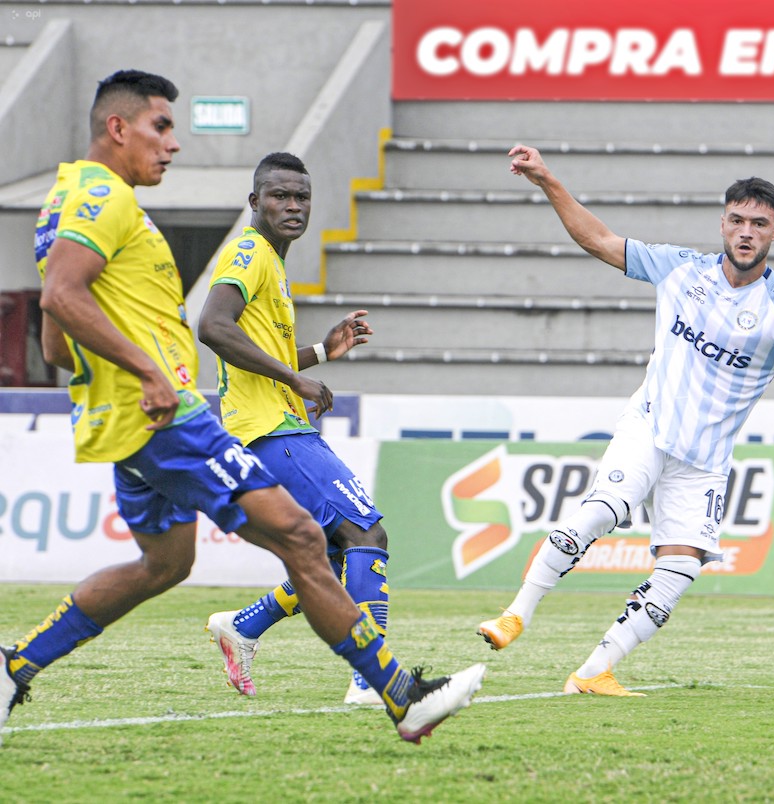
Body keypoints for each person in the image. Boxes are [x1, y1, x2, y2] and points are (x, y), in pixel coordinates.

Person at [0, 69, 484, 747]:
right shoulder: (104, 196)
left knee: (164, 566)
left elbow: (55, 338)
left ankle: (14, 668)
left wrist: (309, 357)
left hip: (130, 423)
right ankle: (401, 696)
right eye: (161, 126)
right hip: (167, 417)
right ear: (118, 127)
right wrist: (148, 371)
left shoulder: (67, 200)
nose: (172, 144)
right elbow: (64, 302)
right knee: (309, 538)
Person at [475, 144, 774, 695]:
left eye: (759, 224)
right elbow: (599, 241)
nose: (746, 232)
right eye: (737, 220)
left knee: (679, 571)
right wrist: (547, 181)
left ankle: (593, 671)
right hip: (649, 428)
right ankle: (515, 614)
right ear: (722, 223)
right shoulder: (680, 269)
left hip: (704, 462)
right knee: (600, 513)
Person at [197, 152, 389, 706]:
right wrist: (295, 382)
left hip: (270, 424)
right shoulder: (251, 252)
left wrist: (320, 354)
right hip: (272, 429)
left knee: (328, 553)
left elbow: (254, 350)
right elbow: (211, 326)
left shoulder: (272, 264)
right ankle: (371, 679)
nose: (293, 206)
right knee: (365, 532)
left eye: (301, 197)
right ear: (254, 202)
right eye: (279, 195)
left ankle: (244, 626)